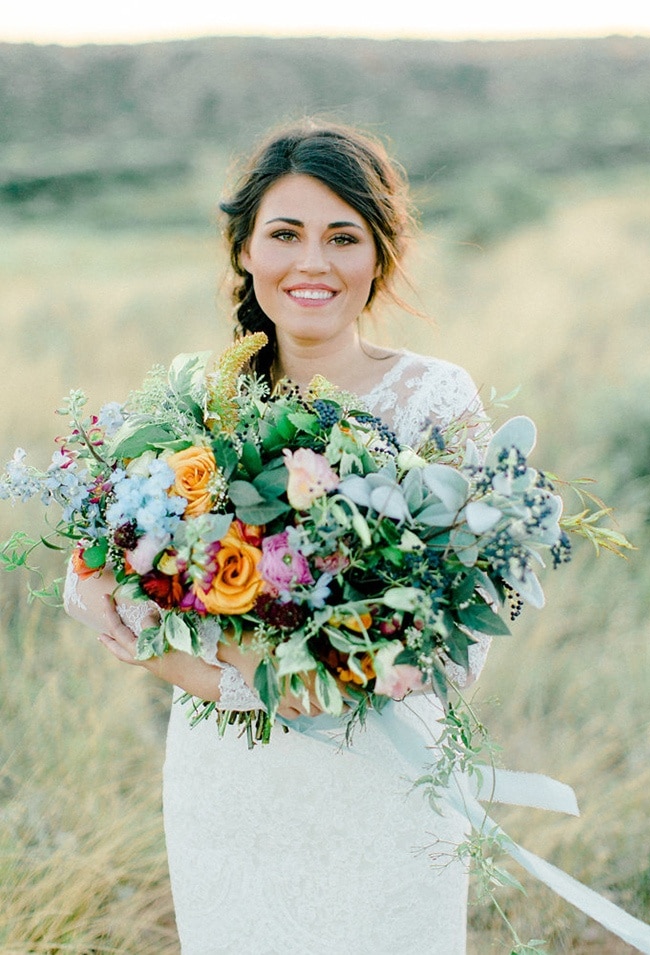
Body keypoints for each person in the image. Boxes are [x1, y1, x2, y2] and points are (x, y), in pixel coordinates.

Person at [63, 120, 489, 955]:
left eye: (343, 237)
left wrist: (259, 671)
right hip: (231, 785)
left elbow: (461, 639)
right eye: (286, 234)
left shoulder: (437, 401)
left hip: (386, 776)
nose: (312, 263)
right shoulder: (191, 407)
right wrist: (225, 668)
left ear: (382, 253)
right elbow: (115, 584)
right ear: (245, 250)